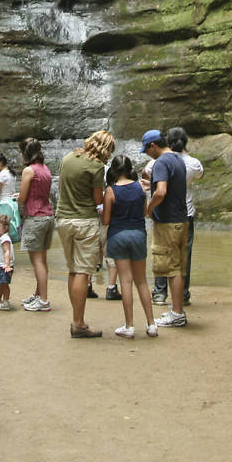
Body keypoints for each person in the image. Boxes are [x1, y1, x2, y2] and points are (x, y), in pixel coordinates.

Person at [55, 130, 113, 337]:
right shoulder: (97, 167)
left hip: (63, 219)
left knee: (72, 269)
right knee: (82, 272)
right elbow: (98, 199)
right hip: (84, 221)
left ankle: (76, 318)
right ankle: (78, 323)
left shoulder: (68, 158)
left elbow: (61, 187)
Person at [101, 152, 156, 338]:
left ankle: (130, 325)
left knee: (125, 280)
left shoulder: (111, 191)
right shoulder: (140, 187)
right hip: (138, 234)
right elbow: (144, 212)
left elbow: (106, 220)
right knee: (142, 281)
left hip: (118, 236)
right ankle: (151, 324)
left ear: (114, 171)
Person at [149, 127, 204, 306]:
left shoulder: (159, 162)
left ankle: (159, 293)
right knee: (183, 257)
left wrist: (148, 209)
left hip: (165, 215)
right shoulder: (191, 163)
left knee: (161, 254)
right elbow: (200, 174)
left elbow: (148, 174)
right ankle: (183, 295)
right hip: (185, 213)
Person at [143, 128, 189, 328]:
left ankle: (177, 313)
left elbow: (161, 192)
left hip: (168, 222)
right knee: (178, 267)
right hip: (181, 220)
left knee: (171, 269)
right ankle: (177, 310)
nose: (146, 154)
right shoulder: (178, 159)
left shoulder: (160, 162)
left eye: (146, 150)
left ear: (153, 146)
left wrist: (149, 208)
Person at [18, 138, 56, 312]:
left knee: (37, 261)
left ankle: (44, 300)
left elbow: (23, 197)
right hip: (48, 216)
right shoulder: (45, 169)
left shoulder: (29, 171)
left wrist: (17, 198)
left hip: (34, 217)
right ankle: (39, 294)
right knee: (43, 260)